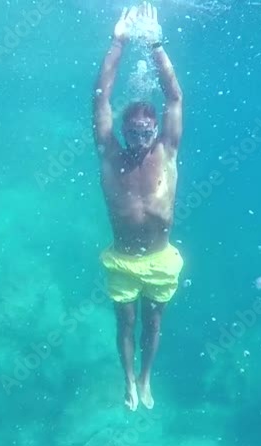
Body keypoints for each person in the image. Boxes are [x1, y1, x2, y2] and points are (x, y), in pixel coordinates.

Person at [93, 2, 184, 411]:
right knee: (125, 321)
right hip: (123, 260)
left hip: (161, 259)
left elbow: (175, 97)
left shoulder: (167, 151)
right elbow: (101, 97)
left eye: (147, 129)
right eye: (134, 131)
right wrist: (118, 41)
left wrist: (156, 45)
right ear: (124, 131)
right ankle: (128, 379)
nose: (142, 137)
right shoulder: (111, 155)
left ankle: (146, 378)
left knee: (155, 322)